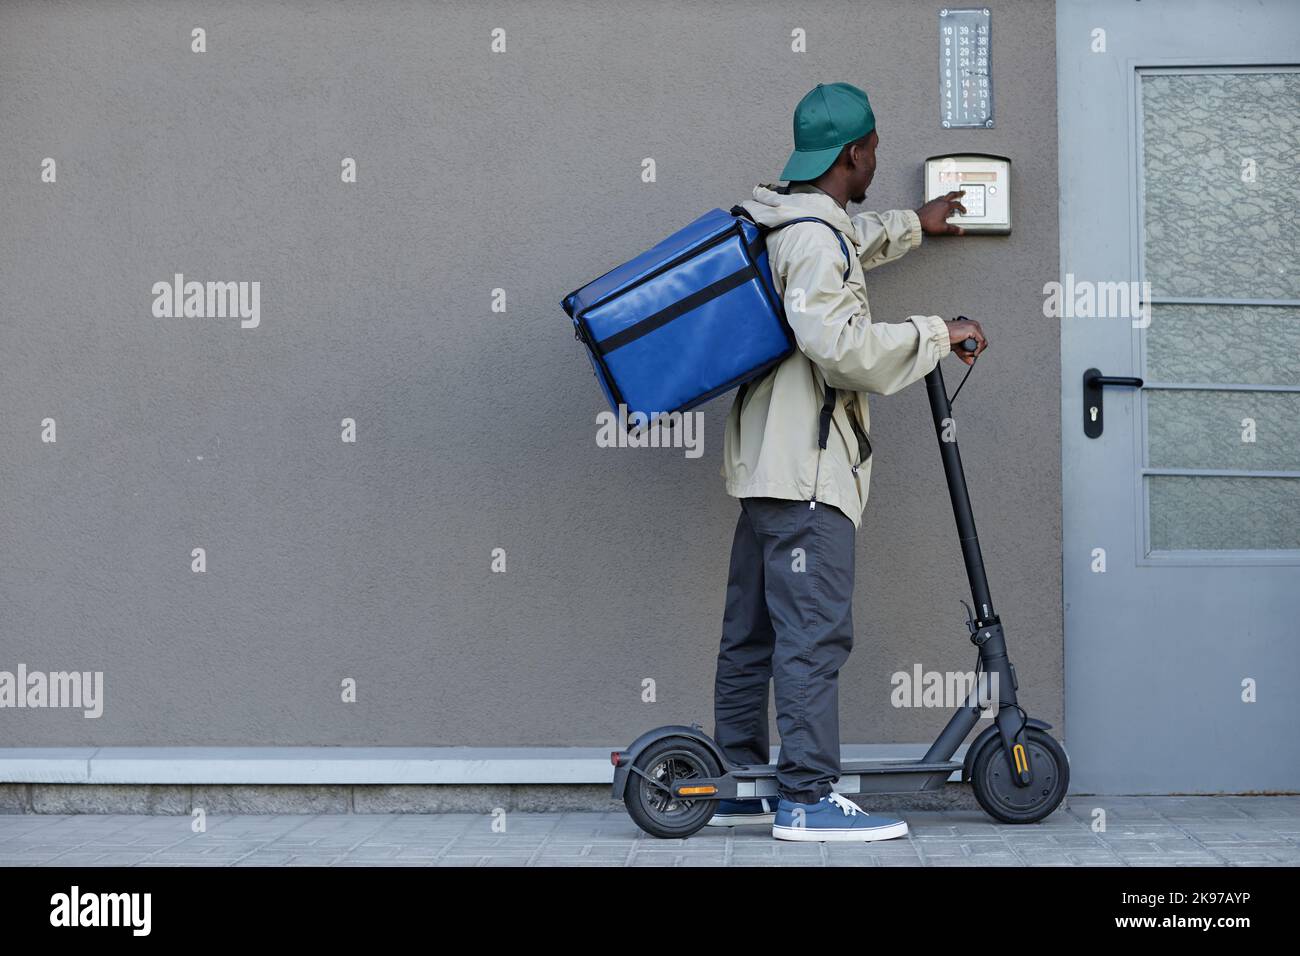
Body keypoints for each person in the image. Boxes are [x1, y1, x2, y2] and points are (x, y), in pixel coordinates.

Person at [708, 81, 987, 842]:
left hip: (769, 469)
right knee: (811, 635)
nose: (875, 161)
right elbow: (839, 350)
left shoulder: (788, 221)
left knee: (755, 633)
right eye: (873, 149)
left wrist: (915, 227)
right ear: (854, 153)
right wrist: (937, 331)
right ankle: (804, 797)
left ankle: (741, 782)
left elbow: (846, 244)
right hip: (809, 474)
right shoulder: (810, 239)